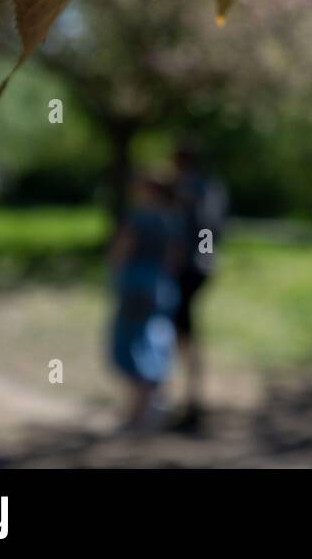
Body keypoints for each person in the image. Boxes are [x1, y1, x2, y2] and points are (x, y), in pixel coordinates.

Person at [108, 174, 186, 432]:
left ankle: (141, 409)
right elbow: (175, 257)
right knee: (155, 343)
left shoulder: (138, 218)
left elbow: (121, 251)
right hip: (162, 288)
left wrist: (115, 275)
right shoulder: (174, 218)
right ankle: (151, 403)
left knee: (132, 345)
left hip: (136, 287)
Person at [170, 142, 229, 432]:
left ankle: (190, 401)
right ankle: (188, 399)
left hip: (189, 269)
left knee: (184, 333)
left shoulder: (193, 189)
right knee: (184, 332)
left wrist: (190, 255)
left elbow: (205, 227)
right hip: (200, 267)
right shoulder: (210, 186)